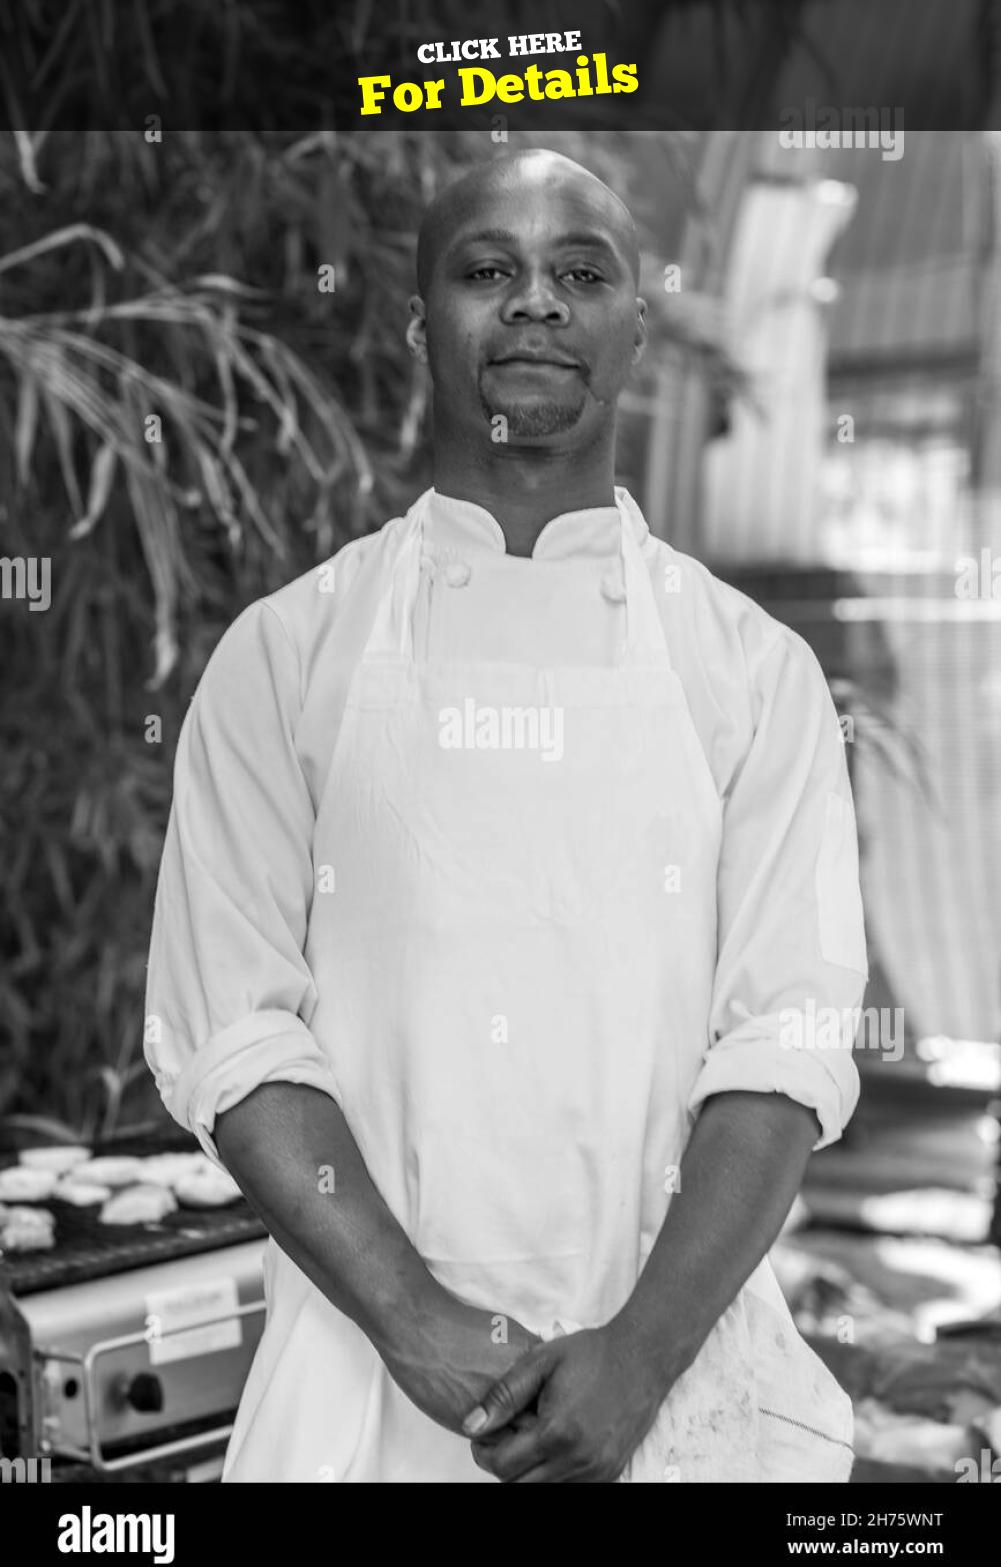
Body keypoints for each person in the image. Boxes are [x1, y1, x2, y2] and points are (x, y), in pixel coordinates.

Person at [143, 149, 868, 1483]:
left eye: (579, 273)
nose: (535, 302)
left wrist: (637, 1356)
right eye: (489, 270)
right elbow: (234, 1032)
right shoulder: (283, 655)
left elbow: (786, 1042)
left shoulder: (753, 673)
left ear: (635, 328)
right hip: (366, 1396)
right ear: (425, 324)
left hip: (684, 1402)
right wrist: (417, 1321)